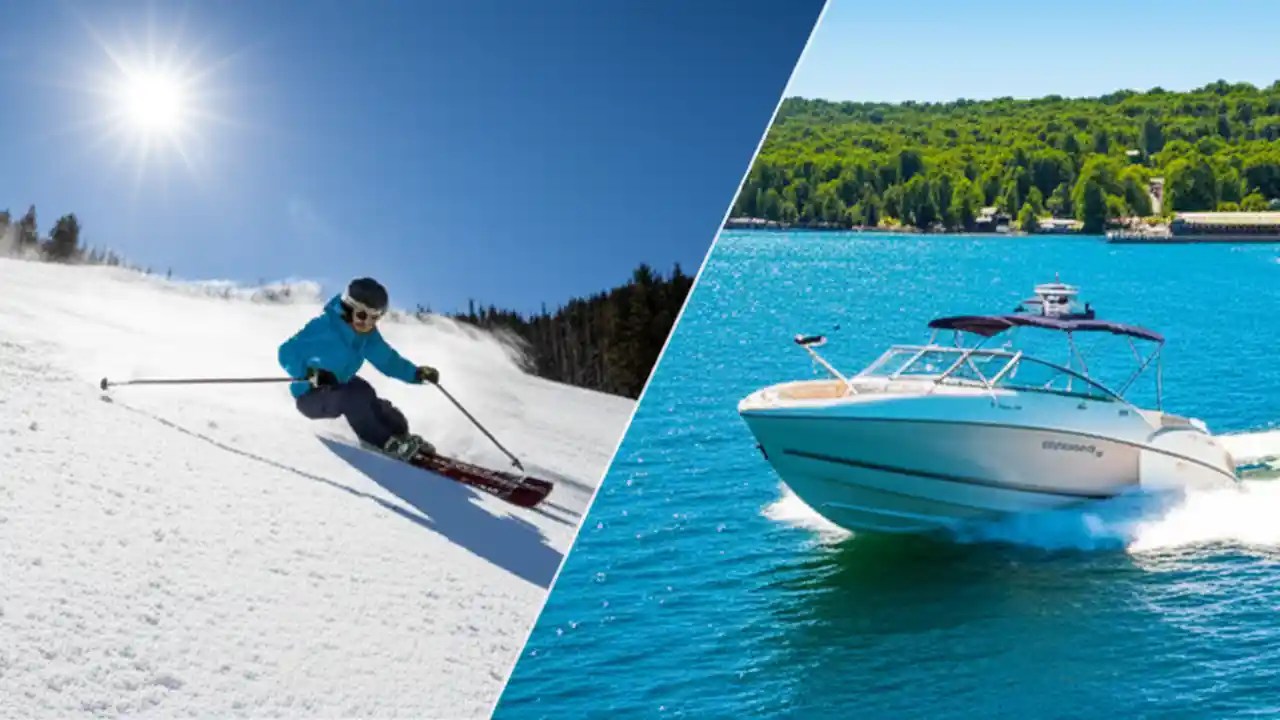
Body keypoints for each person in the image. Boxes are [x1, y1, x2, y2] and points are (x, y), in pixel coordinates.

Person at [278, 277, 440, 460]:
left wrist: (416, 374)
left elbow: (388, 361)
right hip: (310, 395)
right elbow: (286, 352)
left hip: (339, 386)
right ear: (348, 308)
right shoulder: (325, 325)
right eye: (362, 316)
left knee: (366, 392)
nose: (367, 324)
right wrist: (308, 374)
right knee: (354, 397)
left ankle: (400, 436)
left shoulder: (367, 337)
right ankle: (381, 442)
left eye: (374, 318)